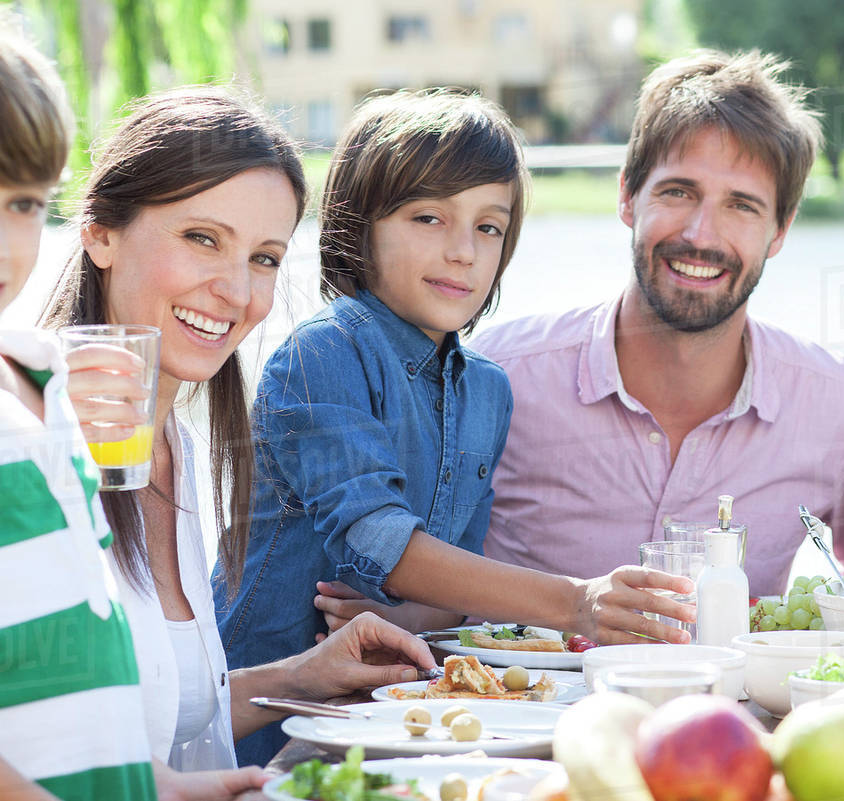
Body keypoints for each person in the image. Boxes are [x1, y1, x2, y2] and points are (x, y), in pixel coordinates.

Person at [215, 90, 695, 767]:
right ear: (358, 227)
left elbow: (449, 583)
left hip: (404, 727)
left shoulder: (489, 390)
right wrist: (577, 601)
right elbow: (385, 544)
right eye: (429, 217)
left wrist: (406, 620)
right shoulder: (323, 354)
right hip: (267, 728)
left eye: (489, 227)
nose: (464, 251)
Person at [40, 86, 436, 775]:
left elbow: (163, 727)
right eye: (202, 238)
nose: (237, 290)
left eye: (264, 258)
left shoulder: (180, 453)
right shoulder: (28, 443)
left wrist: (307, 675)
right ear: (100, 232)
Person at [466, 49, 844, 597]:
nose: (700, 234)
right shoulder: (495, 379)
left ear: (780, 230)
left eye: (741, 206)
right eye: (678, 192)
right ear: (628, 195)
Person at [0, 26, 159, 801]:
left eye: (23, 204)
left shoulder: (39, 375)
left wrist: (154, 782)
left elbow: (69, 677)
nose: (4, 248)